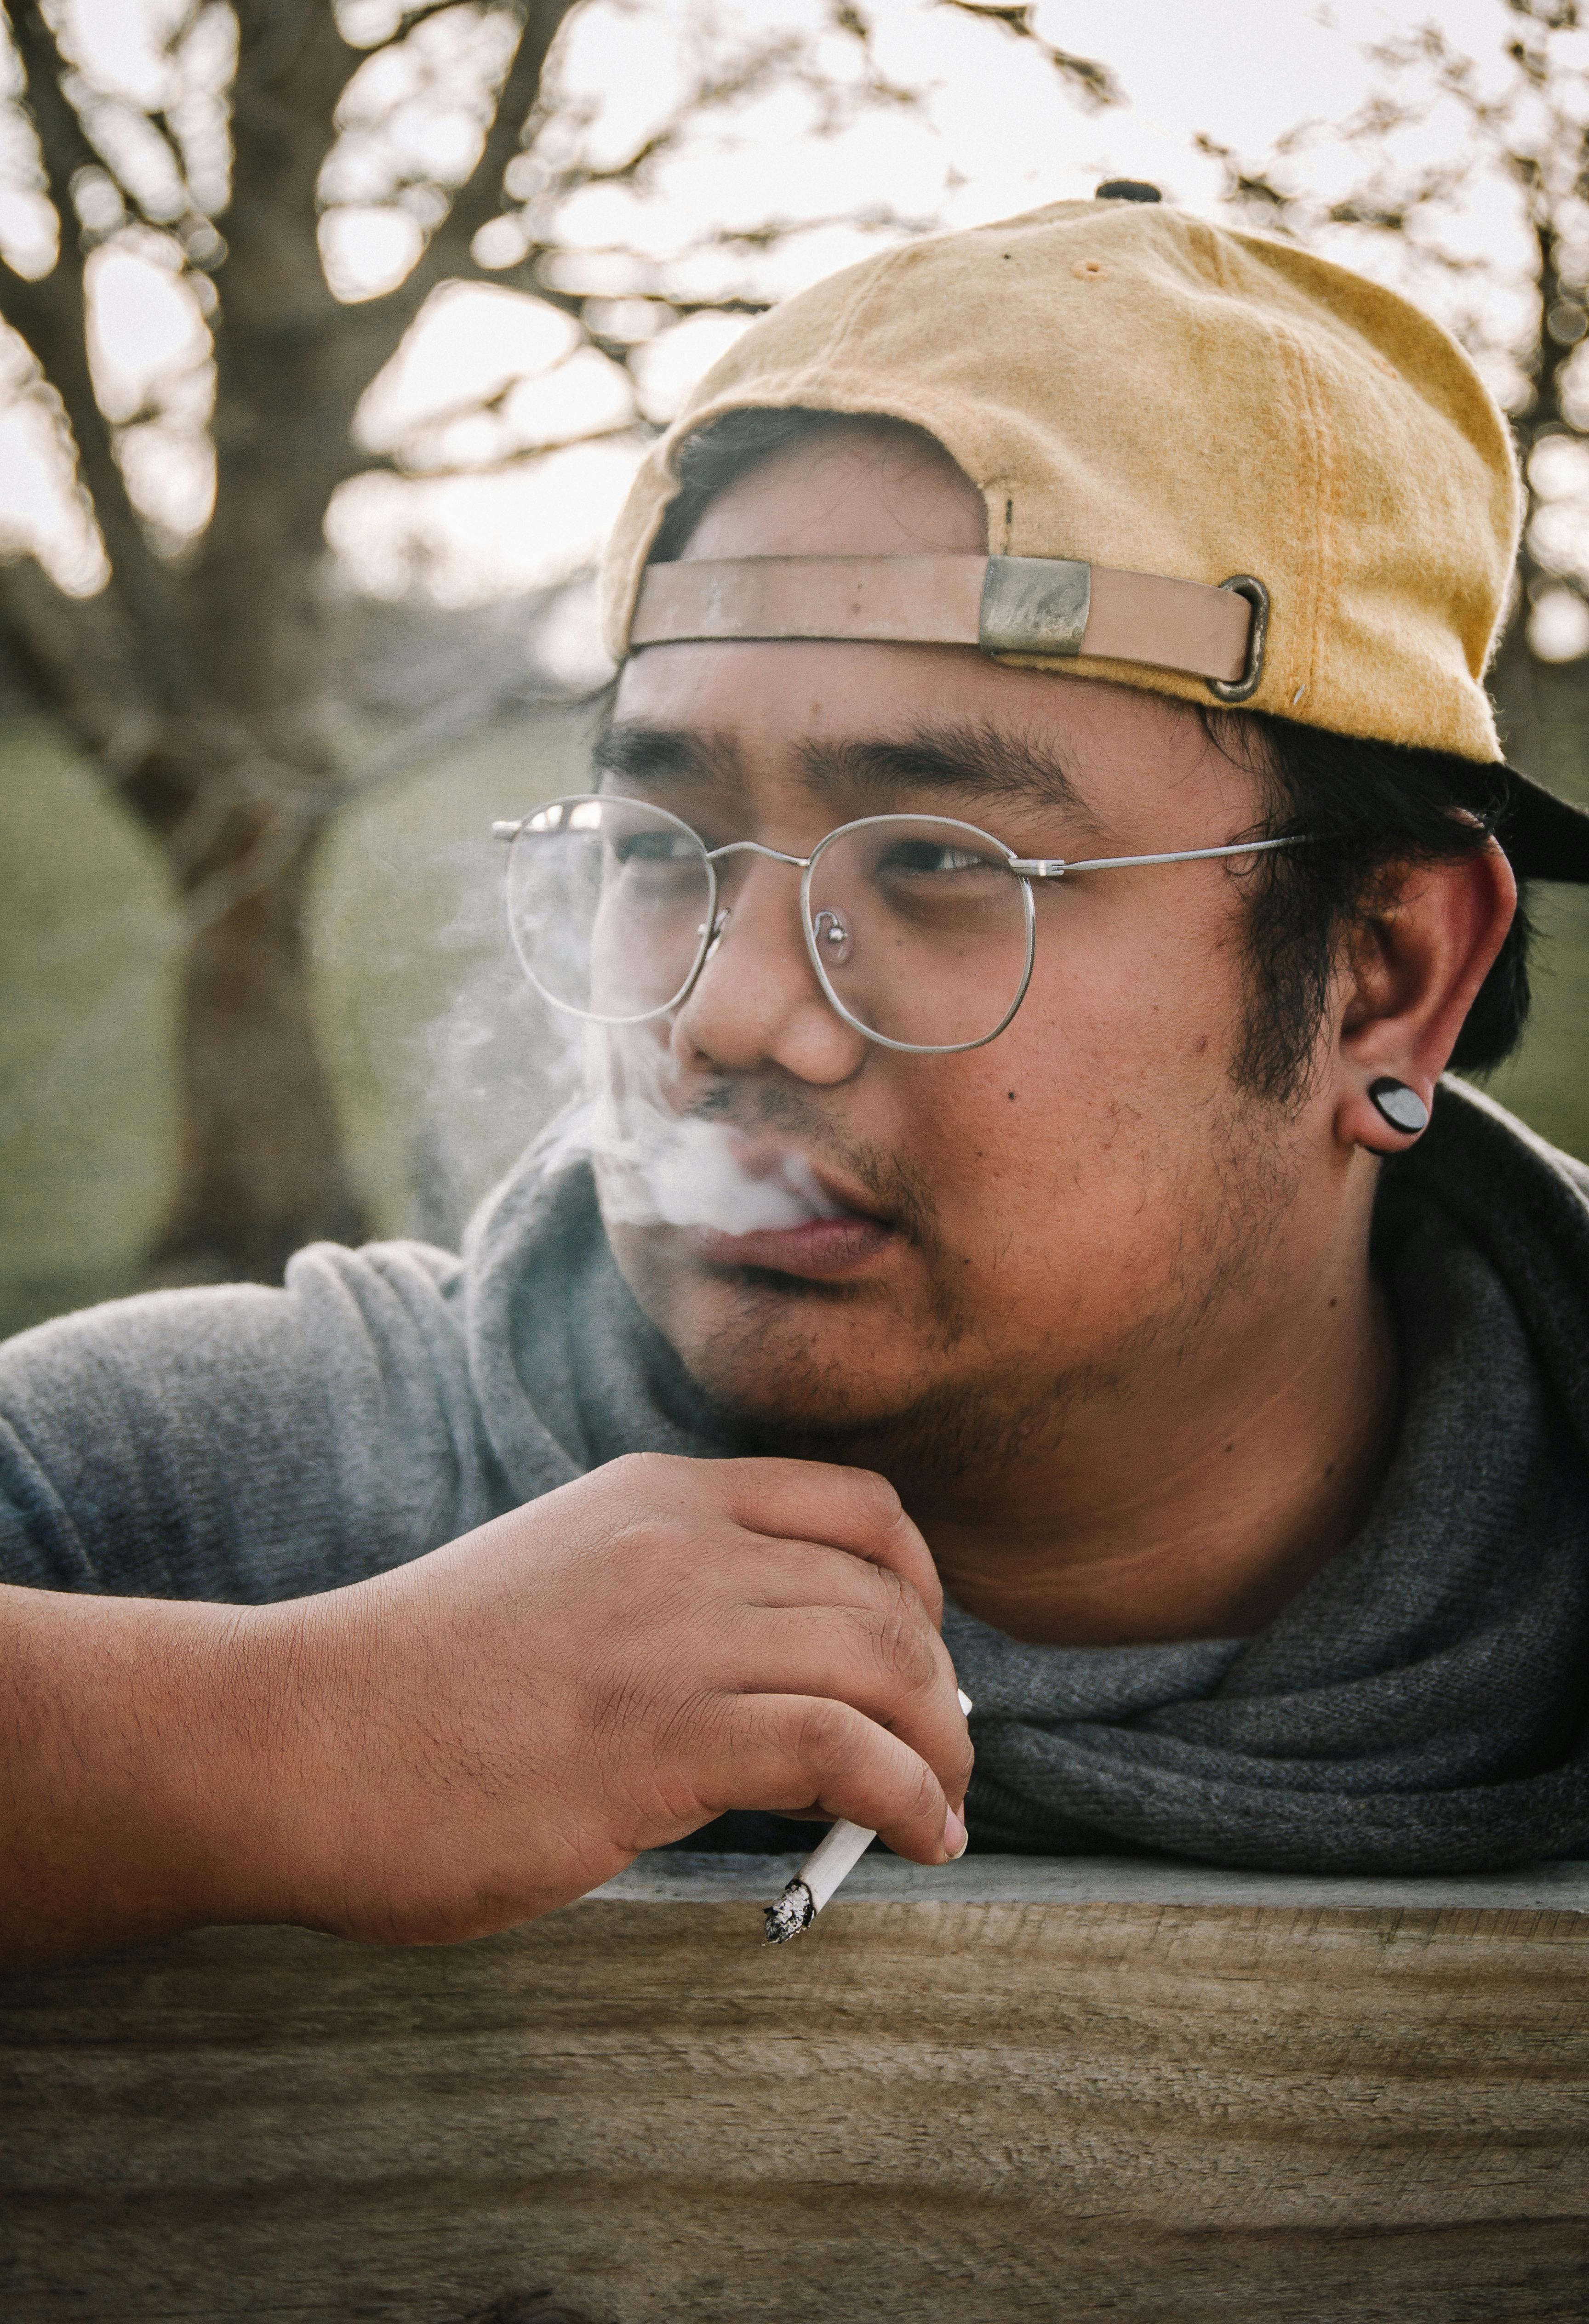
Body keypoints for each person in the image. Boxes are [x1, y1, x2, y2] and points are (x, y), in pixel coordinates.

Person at [6, 192, 1589, 1972]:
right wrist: (275, 1734)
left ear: (1388, 975)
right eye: (659, 845)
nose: (731, 1013)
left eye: (940, 864)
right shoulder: (233, 1492)